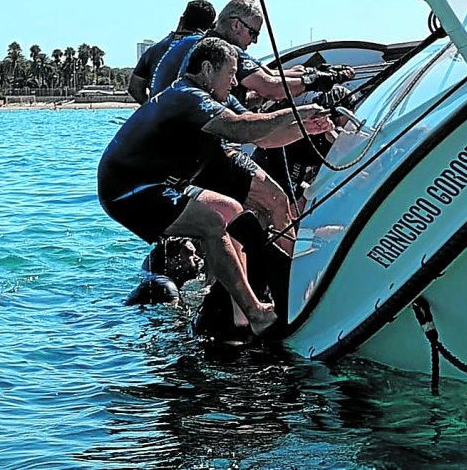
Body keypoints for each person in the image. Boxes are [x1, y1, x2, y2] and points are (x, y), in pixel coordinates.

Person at [97, 37, 333, 336]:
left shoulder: (216, 98)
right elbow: (239, 128)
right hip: (127, 190)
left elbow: (260, 136)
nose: (236, 81)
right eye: (231, 73)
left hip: (160, 184)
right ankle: (256, 313)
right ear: (208, 69)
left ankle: (238, 311)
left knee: (229, 209)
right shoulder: (188, 96)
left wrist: (305, 129)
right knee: (211, 223)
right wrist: (297, 112)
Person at [150, 0, 355, 104]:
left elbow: (269, 73)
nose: (255, 41)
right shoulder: (222, 50)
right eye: (253, 33)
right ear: (236, 25)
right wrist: (316, 81)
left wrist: (309, 72)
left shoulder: (200, 40)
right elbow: (272, 87)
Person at [127, 0, 217, 104]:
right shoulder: (206, 47)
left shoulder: (154, 50)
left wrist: (152, 109)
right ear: (209, 26)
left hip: (158, 115)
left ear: (181, 20)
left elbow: (135, 88)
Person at [124, 237, 204, 306]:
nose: (197, 258)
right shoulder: (165, 285)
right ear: (172, 261)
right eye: (190, 254)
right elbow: (174, 319)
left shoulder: (157, 280)